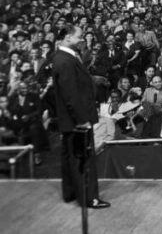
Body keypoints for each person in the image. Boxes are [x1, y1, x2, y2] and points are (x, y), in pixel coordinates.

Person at [51, 25, 110, 209]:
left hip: (70, 120)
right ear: (68, 37)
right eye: (79, 36)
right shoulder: (66, 60)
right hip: (77, 120)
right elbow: (71, 94)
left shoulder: (63, 57)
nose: (82, 39)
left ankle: (70, 193)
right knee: (83, 159)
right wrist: (82, 119)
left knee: (70, 156)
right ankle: (89, 197)